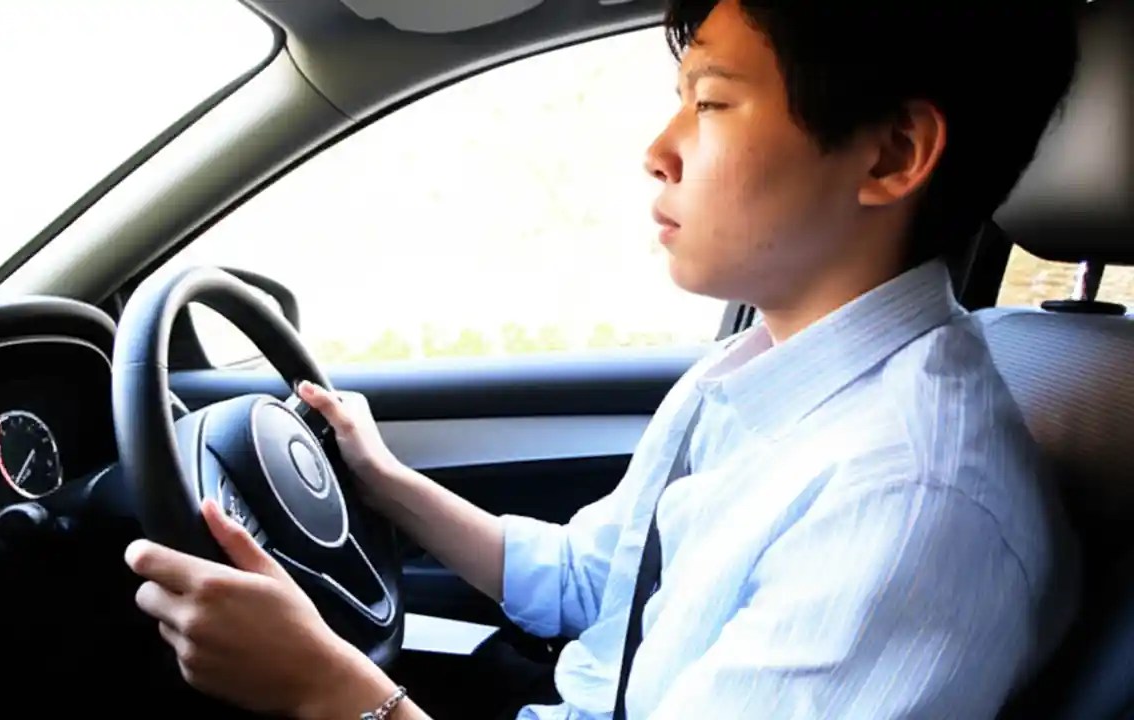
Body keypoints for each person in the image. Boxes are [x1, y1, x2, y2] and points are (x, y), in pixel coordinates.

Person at [122, 0, 1084, 717]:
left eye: (712, 103)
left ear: (892, 155)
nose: (659, 150)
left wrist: (329, 691)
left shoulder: (907, 510)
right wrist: (386, 482)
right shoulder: (755, 370)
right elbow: (595, 584)